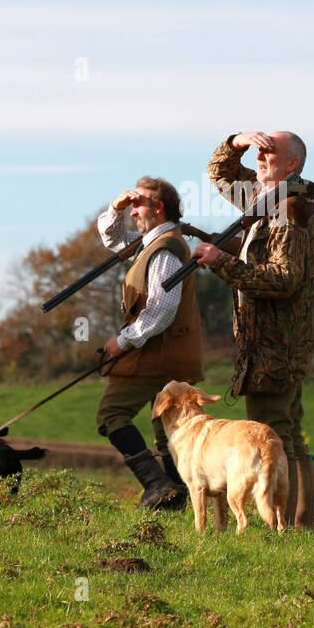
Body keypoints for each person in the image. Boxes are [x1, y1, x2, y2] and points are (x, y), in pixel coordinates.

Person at [192, 131, 314, 529]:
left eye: (269, 151)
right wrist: (236, 141)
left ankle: (286, 526)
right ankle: (300, 525)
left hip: (276, 342)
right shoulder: (264, 198)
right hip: (268, 340)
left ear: (293, 165)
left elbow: (284, 279)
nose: (260, 157)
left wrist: (221, 263)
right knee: (289, 434)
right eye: (259, 151)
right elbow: (219, 172)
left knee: (272, 434)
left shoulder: (289, 209)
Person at [96, 178, 204, 510]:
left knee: (111, 414)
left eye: (138, 205)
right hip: (167, 354)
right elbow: (114, 239)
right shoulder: (153, 242)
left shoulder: (165, 250)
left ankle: (158, 487)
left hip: (153, 353)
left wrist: (122, 342)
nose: (133, 212)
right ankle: (175, 496)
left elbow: (160, 309)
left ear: (158, 209)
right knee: (166, 430)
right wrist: (115, 207)